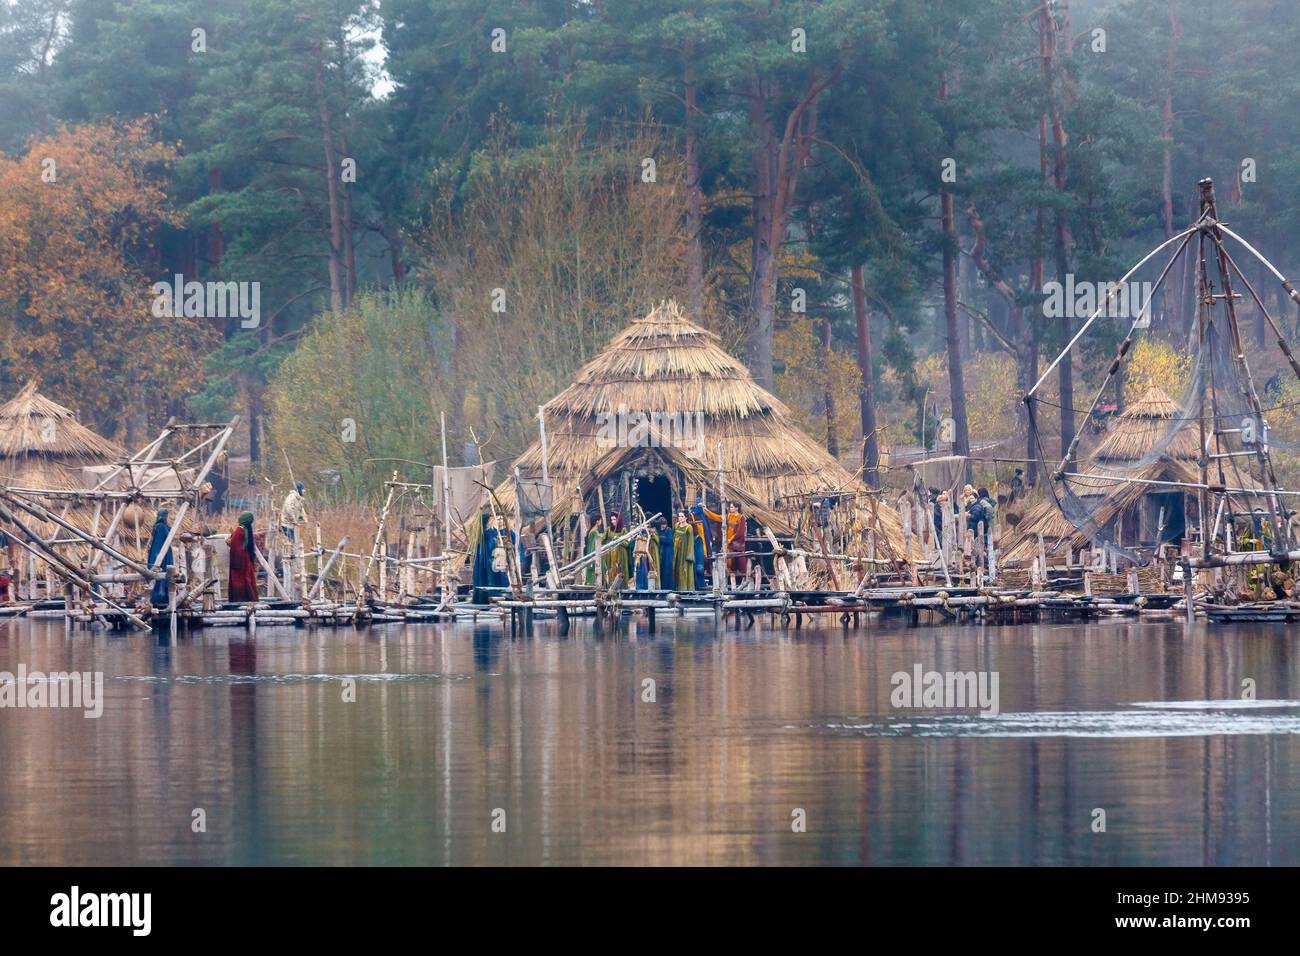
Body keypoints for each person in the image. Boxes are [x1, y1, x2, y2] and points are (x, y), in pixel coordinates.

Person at [227, 511, 259, 602]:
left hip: (240, 560)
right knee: (247, 578)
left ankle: (240, 599)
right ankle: (249, 598)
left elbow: (235, 545)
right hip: (245, 558)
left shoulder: (240, 529)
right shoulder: (246, 529)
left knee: (240, 579)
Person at [146, 508, 174, 608]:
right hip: (162, 553)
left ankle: (158, 597)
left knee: (159, 575)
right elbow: (169, 536)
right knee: (162, 574)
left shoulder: (157, 527)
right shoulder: (162, 527)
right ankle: (161, 597)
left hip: (157, 553)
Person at [604, 511, 629, 588]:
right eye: (611, 520)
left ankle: (623, 588)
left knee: (621, 571)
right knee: (612, 571)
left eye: (614, 519)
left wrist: (619, 540)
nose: (613, 522)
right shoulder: (608, 530)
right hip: (611, 555)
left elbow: (627, 544)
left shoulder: (623, 530)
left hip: (621, 555)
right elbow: (602, 540)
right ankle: (611, 588)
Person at [672, 512, 695, 591]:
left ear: (686, 518)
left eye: (682, 516)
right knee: (677, 569)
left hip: (685, 552)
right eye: (679, 516)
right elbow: (673, 537)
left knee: (684, 570)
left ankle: (686, 589)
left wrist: (689, 555)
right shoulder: (676, 526)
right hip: (677, 552)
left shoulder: (689, 527)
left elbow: (691, 542)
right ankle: (678, 588)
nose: (680, 518)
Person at [583, 515, 604, 586]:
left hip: (590, 554)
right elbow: (593, 546)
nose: (601, 521)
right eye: (600, 520)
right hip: (593, 554)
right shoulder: (594, 532)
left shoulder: (591, 531)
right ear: (597, 521)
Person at [656, 519, 675, 590]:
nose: (663, 526)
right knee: (662, 570)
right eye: (661, 524)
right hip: (661, 553)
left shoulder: (669, 530)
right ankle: (663, 586)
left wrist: (659, 538)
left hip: (668, 553)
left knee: (668, 569)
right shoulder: (658, 531)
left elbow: (669, 540)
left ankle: (669, 587)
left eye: (664, 524)